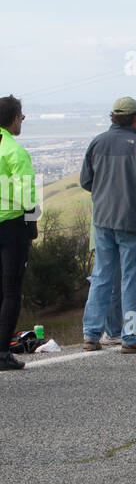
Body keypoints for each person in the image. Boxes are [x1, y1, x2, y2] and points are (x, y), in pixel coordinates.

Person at [80, 96, 136, 353]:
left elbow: (87, 181)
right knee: (132, 278)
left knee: (101, 276)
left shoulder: (97, 142)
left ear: (113, 117)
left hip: (103, 220)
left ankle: (91, 334)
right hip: (133, 221)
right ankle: (130, 336)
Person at [0, 95, 39, 370]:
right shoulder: (14, 150)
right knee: (11, 291)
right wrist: (32, 224)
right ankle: (2, 353)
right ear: (15, 119)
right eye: (22, 117)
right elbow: (27, 192)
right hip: (11, 225)